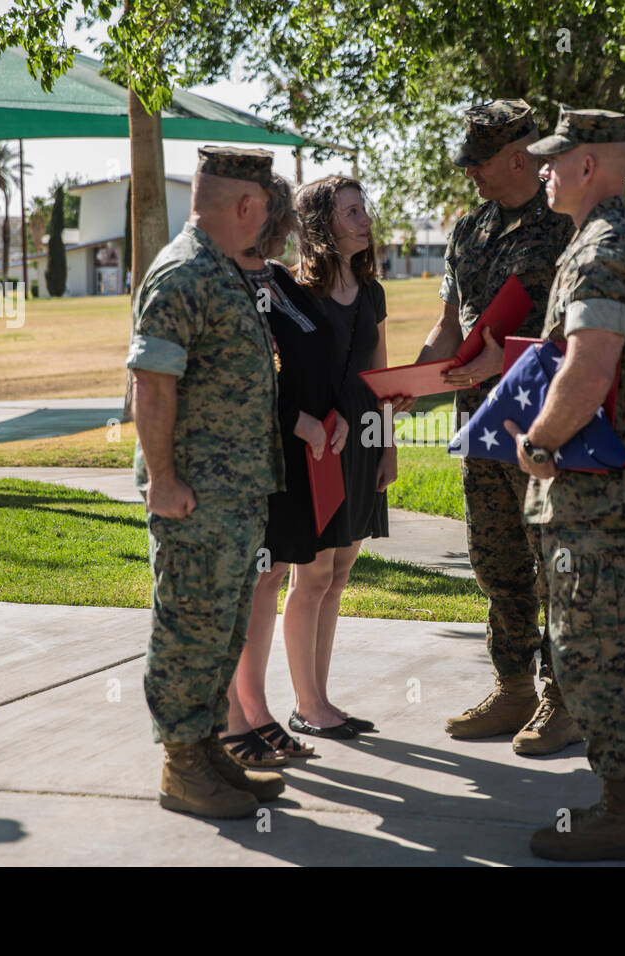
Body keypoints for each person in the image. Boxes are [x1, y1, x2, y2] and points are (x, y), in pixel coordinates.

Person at [506, 106, 625, 861]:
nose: (543, 170)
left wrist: (537, 439)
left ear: (590, 166)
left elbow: (590, 366)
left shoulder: (602, 250)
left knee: (591, 653)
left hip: (602, 496)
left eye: (555, 159)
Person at [397, 99, 580, 755]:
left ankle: (563, 700)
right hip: (480, 419)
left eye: (478, 162)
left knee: (553, 561)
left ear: (515, 157)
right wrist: (418, 372)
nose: (469, 173)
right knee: (496, 560)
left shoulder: (566, 221)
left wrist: (514, 355)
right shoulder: (469, 228)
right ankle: (513, 688)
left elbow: (586, 326)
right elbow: (451, 320)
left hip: (547, 420)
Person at [126, 145, 287, 820]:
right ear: (247, 206)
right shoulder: (186, 273)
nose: (266, 221)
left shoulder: (218, 269)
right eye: (263, 209)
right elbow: (151, 382)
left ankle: (209, 749)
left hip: (232, 495)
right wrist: (162, 479)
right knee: (189, 626)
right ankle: (183, 765)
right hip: (195, 496)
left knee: (222, 628)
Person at [221, 174, 350, 766]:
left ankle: (257, 710)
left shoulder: (275, 279)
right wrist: (297, 419)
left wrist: (336, 414)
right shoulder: (225, 282)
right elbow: (235, 378)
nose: (278, 225)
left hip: (301, 460)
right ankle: (248, 714)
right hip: (258, 459)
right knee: (259, 581)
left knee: (271, 580)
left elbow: (316, 355)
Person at [283, 175, 395, 740]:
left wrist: (387, 445)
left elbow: (379, 375)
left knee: (342, 571)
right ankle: (307, 704)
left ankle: (321, 699)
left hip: (363, 443)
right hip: (318, 446)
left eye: (363, 209)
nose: (364, 219)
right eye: (351, 212)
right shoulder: (295, 292)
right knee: (313, 574)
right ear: (321, 225)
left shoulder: (373, 292)